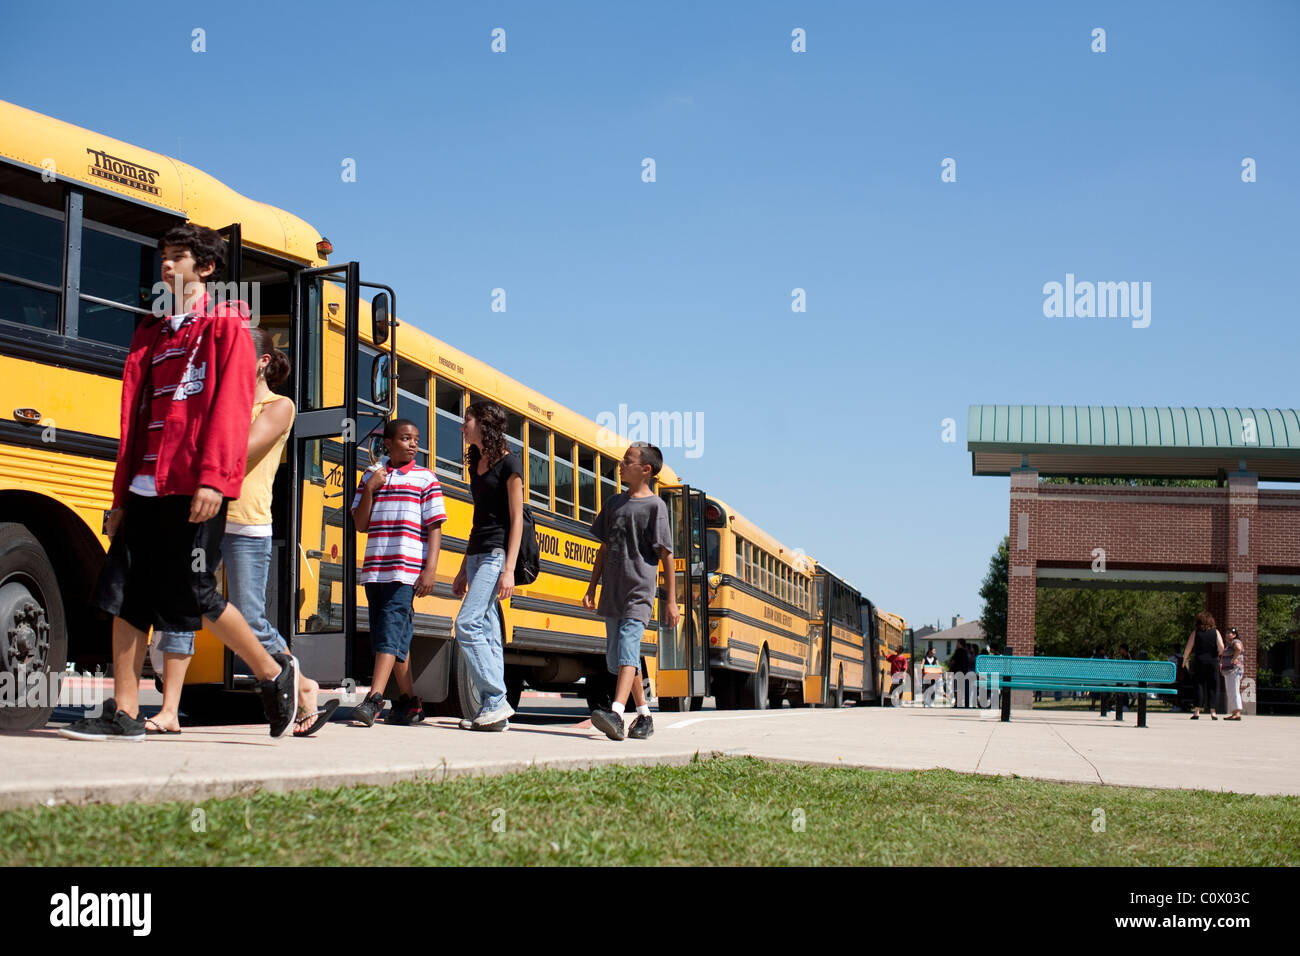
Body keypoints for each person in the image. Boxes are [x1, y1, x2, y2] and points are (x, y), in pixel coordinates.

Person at [61, 224, 306, 741]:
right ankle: (125, 713)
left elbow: (231, 410)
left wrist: (215, 479)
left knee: (194, 595)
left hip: (191, 486)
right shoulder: (154, 332)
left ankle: (273, 671)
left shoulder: (228, 328)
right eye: (163, 256)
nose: (167, 266)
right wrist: (122, 495)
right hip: (145, 487)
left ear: (207, 268)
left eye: (178, 257)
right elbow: (134, 420)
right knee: (123, 594)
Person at [147, 328, 333, 736]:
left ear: (263, 362)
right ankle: (170, 710)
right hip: (203, 516)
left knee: (249, 616)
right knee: (184, 603)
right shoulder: (218, 402)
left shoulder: (279, 406)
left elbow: (237, 451)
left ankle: (299, 684)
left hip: (247, 523)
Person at [350, 419, 446, 726]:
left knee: (390, 632)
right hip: (376, 568)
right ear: (388, 444)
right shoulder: (371, 476)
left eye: (416, 439)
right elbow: (360, 524)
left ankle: (374, 699)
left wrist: (429, 570)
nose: (413, 444)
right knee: (392, 636)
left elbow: (434, 528)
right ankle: (409, 703)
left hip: (405, 571)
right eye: (405, 438)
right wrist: (371, 489)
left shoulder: (425, 478)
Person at [583, 442, 677, 741]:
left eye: (627, 461)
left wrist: (671, 602)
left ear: (646, 469)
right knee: (621, 659)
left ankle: (616, 714)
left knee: (627, 651)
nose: (621, 465)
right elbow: (604, 548)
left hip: (639, 591)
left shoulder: (655, 507)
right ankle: (645, 716)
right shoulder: (613, 504)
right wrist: (591, 587)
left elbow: (666, 556)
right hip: (613, 592)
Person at [452, 401, 523, 731]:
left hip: (496, 556)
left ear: (484, 424)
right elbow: (478, 519)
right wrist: (463, 566)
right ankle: (493, 713)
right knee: (490, 634)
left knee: (466, 624)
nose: (462, 424)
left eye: (467, 419)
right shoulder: (474, 463)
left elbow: (517, 520)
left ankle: (495, 699)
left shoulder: (510, 463)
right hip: (478, 553)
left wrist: (508, 568)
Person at [1182, 611, 1224, 720]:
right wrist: (1216, 655)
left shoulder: (1196, 633)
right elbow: (1222, 647)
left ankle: (1197, 711)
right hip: (1213, 662)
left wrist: (1184, 659)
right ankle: (1213, 712)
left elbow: (1188, 648)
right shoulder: (1216, 632)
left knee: (1199, 685)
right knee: (1213, 685)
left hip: (1199, 661)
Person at [1221, 627, 1245, 720]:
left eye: (1230, 633)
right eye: (1227, 633)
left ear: (1234, 635)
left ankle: (1237, 713)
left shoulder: (1235, 641)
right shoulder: (1229, 644)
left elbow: (1238, 649)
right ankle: (1234, 712)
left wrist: (1234, 658)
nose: (1227, 635)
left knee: (1234, 690)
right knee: (1231, 691)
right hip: (1229, 671)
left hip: (1234, 670)